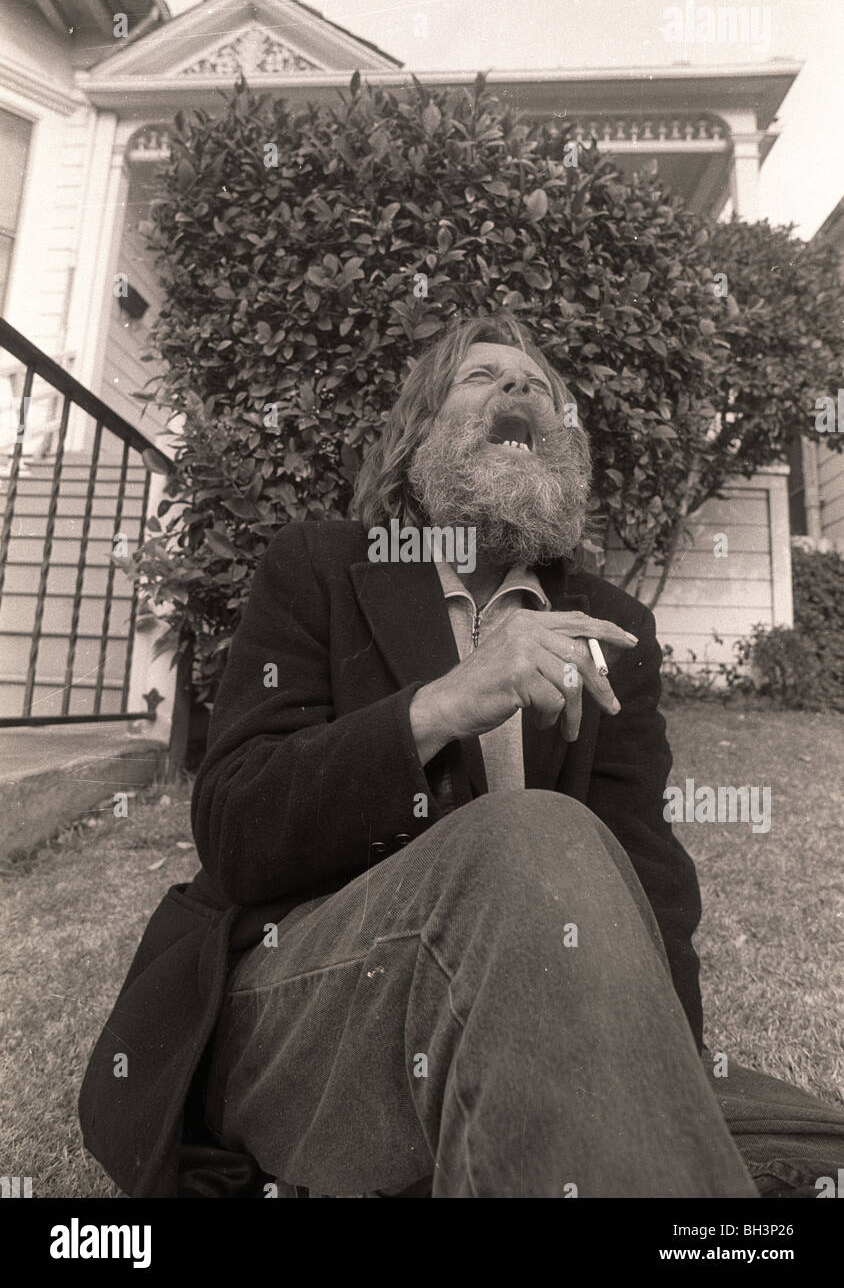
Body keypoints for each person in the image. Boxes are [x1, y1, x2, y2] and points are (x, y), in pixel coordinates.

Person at [79, 312, 844, 1198]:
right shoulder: (319, 570)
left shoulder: (612, 629)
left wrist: (663, 1067)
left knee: (817, 1150)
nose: (520, 390)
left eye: (540, 389)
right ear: (416, 442)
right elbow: (237, 828)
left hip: (547, 1012)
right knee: (527, 837)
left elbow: (651, 882)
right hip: (321, 1011)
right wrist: (441, 705)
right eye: (481, 378)